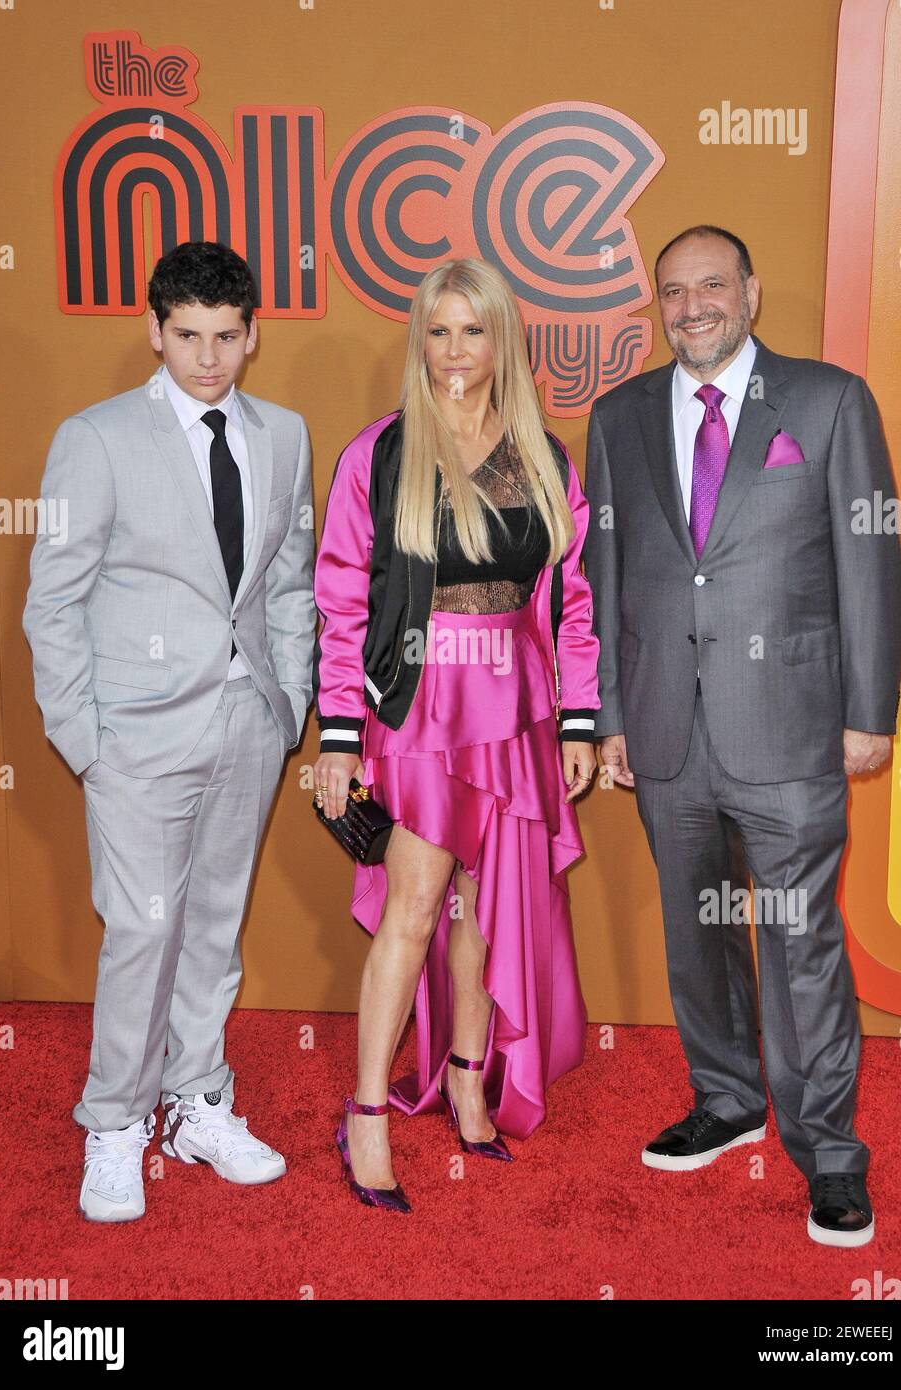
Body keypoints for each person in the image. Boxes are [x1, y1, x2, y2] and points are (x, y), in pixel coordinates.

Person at [583, 225, 901, 1248]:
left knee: (801, 944)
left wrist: (869, 711)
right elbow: (608, 578)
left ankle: (831, 1155)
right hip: (668, 725)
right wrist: (614, 715)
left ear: (750, 292)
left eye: (710, 286)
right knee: (698, 932)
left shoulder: (826, 400)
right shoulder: (619, 415)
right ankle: (725, 1100)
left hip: (793, 726)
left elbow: (870, 564)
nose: (690, 308)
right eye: (671, 292)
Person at [23, 241, 316, 1222]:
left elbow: (289, 579)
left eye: (226, 337)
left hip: (245, 725)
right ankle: (113, 1122)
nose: (207, 357)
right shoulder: (96, 437)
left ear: (253, 335)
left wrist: (289, 705)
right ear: (154, 331)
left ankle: (197, 1102)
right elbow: (52, 599)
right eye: (186, 336)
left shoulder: (284, 434)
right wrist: (86, 740)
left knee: (212, 929)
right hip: (135, 737)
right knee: (142, 929)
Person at [312, 257, 600, 1213]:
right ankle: (364, 1115)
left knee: (487, 905)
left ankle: (471, 1079)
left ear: (502, 338)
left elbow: (571, 600)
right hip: (424, 714)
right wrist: (342, 737)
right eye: (437, 331)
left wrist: (582, 717)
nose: (455, 351)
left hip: (515, 712)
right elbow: (343, 601)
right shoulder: (381, 453)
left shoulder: (545, 456)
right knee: (416, 904)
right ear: (418, 341)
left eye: (472, 330)